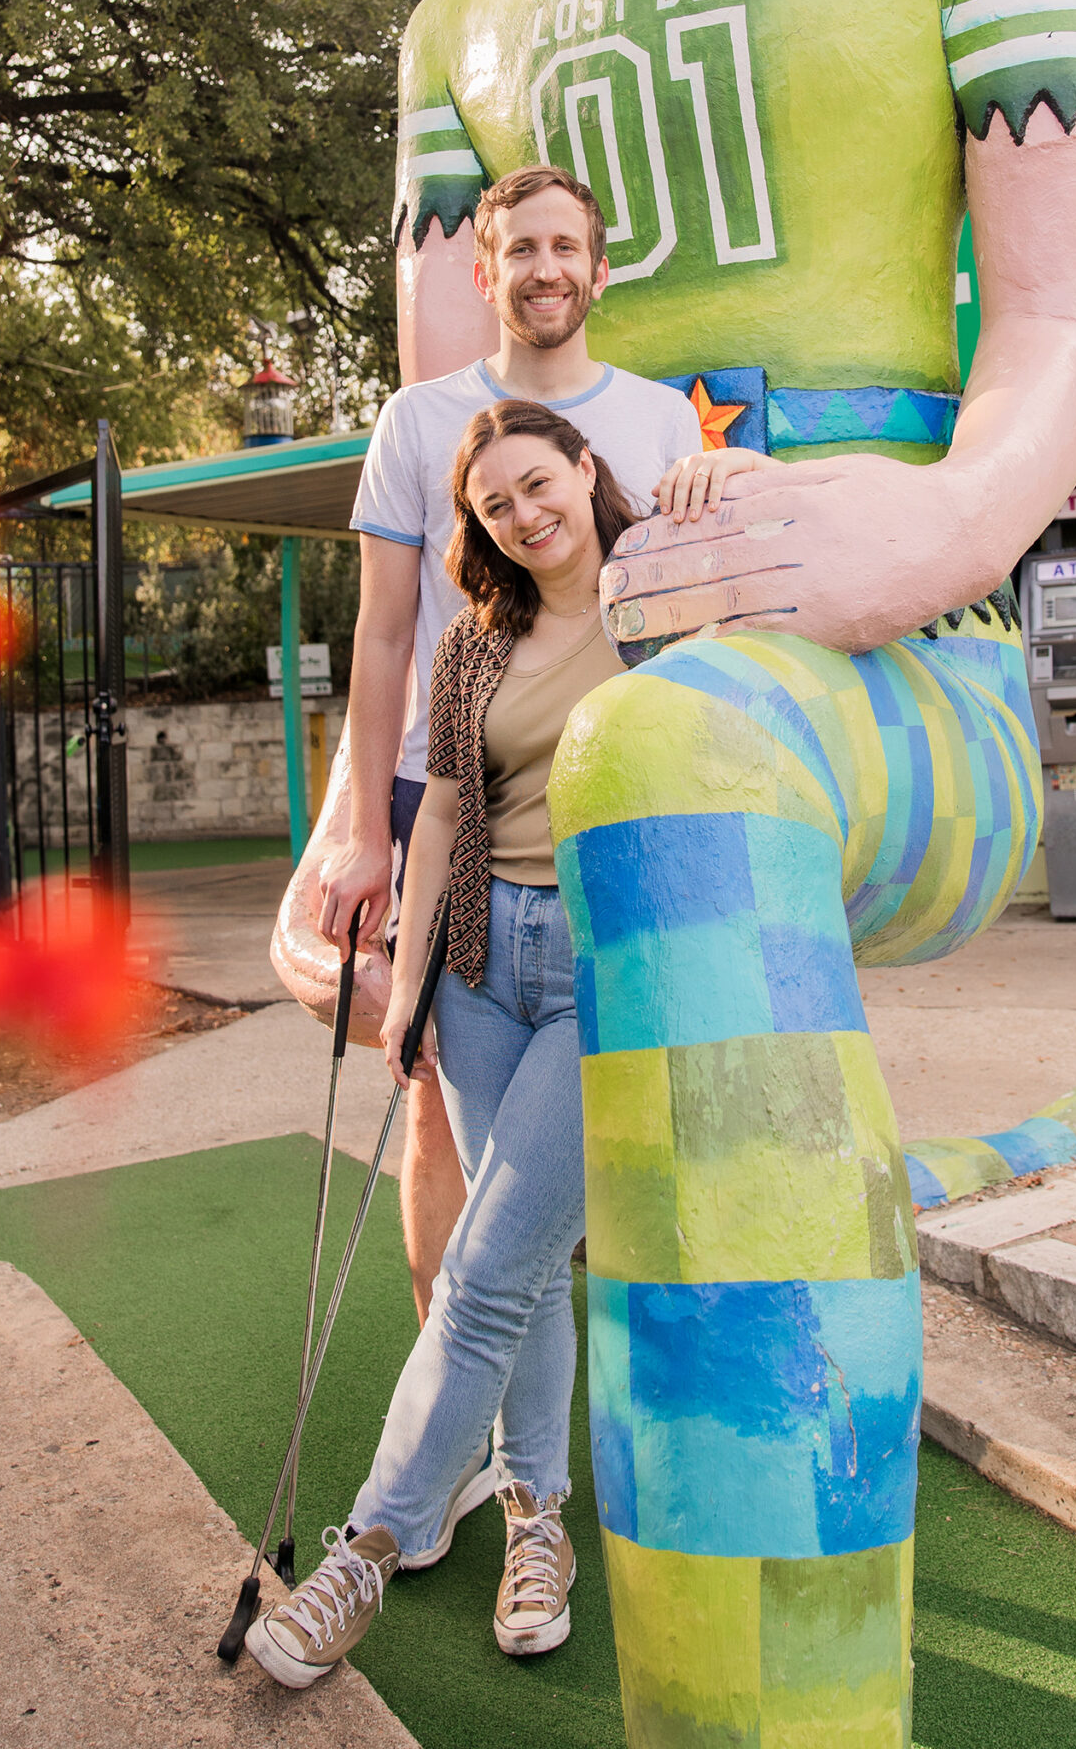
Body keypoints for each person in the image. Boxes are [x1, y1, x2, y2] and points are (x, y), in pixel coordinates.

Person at [391, 0, 1076, 1747]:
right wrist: (377, 806)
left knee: (671, 757)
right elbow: (430, 478)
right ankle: (522, 1501)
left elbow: (1051, 335)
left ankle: (771, 1699)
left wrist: (919, 535)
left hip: (869, 683)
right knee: (464, 973)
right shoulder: (457, 29)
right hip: (553, 691)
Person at [248, 403, 649, 1688]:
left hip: (610, 970)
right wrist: (411, 975)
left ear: (585, 471)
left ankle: (365, 1547)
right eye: (495, 507)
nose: (525, 515)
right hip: (482, 968)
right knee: (515, 1265)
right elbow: (438, 824)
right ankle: (539, 1517)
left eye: (540, 485)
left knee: (484, 1271)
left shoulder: (666, 607)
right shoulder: (475, 644)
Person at [270, 163, 701, 1344]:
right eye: (522, 250)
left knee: (628, 1091)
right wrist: (364, 830)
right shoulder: (416, 421)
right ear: (486, 269)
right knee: (439, 1116)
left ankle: (610, 1379)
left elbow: (686, 609)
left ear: (599, 270)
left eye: (566, 248)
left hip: (619, 793)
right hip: (447, 792)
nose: (545, 269)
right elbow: (385, 632)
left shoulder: (664, 418)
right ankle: (453, 1405)